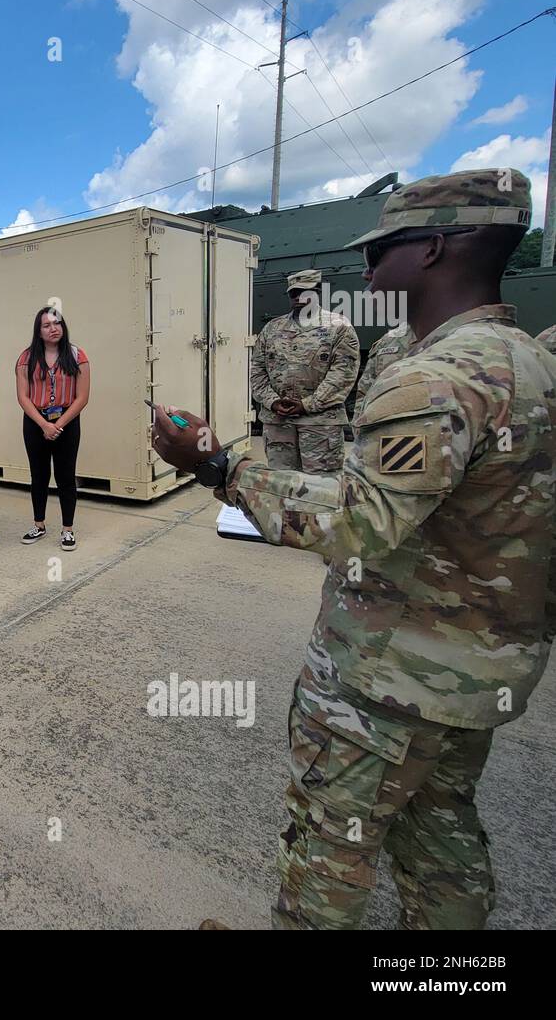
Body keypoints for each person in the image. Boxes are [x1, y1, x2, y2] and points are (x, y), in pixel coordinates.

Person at [152, 169, 552, 930]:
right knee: (441, 833)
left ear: (434, 247)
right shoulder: (531, 363)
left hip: (388, 674)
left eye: (384, 249)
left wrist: (216, 464)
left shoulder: (438, 379)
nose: (367, 270)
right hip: (479, 670)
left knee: (330, 839)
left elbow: (358, 522)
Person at [250, 269, 359, 473]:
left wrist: (308, 405)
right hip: (278, 423)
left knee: (321, 488)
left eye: (306, 292)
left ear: (318, 292)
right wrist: (272, 401)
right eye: (294, 293)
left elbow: (343, 372)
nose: (300, 298)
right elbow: (257, 370)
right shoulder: (273, 328)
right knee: (282, 484)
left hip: (319, 424)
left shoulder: (338, 327)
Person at [15, 306, 90, 551]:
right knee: (39, 475)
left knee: (65, 476)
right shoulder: (26, 358)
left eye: (56, 323)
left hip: (66, 423)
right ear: (39, 331)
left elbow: (82, 397)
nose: (53, 329)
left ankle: (67, 529)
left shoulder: (77, 356)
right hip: (36, 422)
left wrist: (57, 425)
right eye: (46, 325)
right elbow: (23, 397)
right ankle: (39, 524)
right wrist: (44, 424)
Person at [353, 322, 413, 418]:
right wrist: (359, 426)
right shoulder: (389, 340)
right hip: (390, 424)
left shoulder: (444, 337)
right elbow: (365, 392)